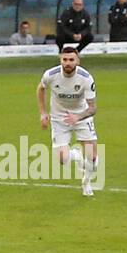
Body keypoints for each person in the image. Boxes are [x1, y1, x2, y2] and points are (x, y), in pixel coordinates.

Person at [37, 47, 98, 196]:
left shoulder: (86, 78)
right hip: (59, 119)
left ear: (78, 60)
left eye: (71, 60)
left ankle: (86, 183)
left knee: (92, 157)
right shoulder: (50, 75)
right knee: (63, 159)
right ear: (60, 60)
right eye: (65, 60)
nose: (68, 63)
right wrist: (43, 113)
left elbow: (93, 108)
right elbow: (40, 89)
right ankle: (76, 155)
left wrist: (77, 117)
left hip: (82, 116)